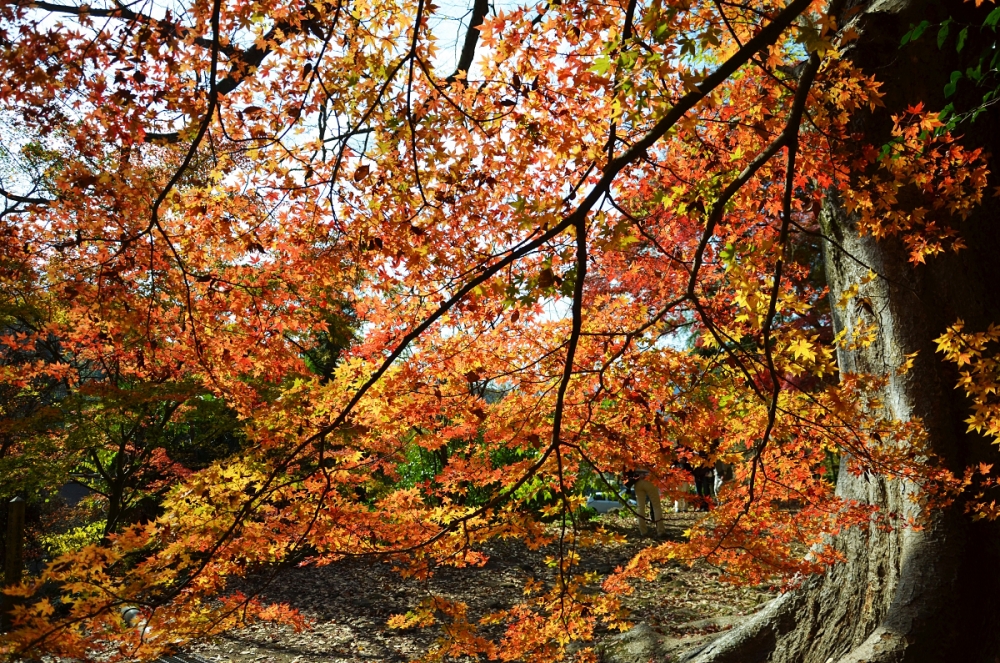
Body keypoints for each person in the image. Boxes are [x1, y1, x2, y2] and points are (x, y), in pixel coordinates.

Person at [624, 466, 664, 537]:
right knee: (656, 506)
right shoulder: (651, 456)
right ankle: (660, 531)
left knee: (640, 507)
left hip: (638, 482)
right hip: (649, 481)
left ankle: (643, 531)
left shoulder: (635, 456)